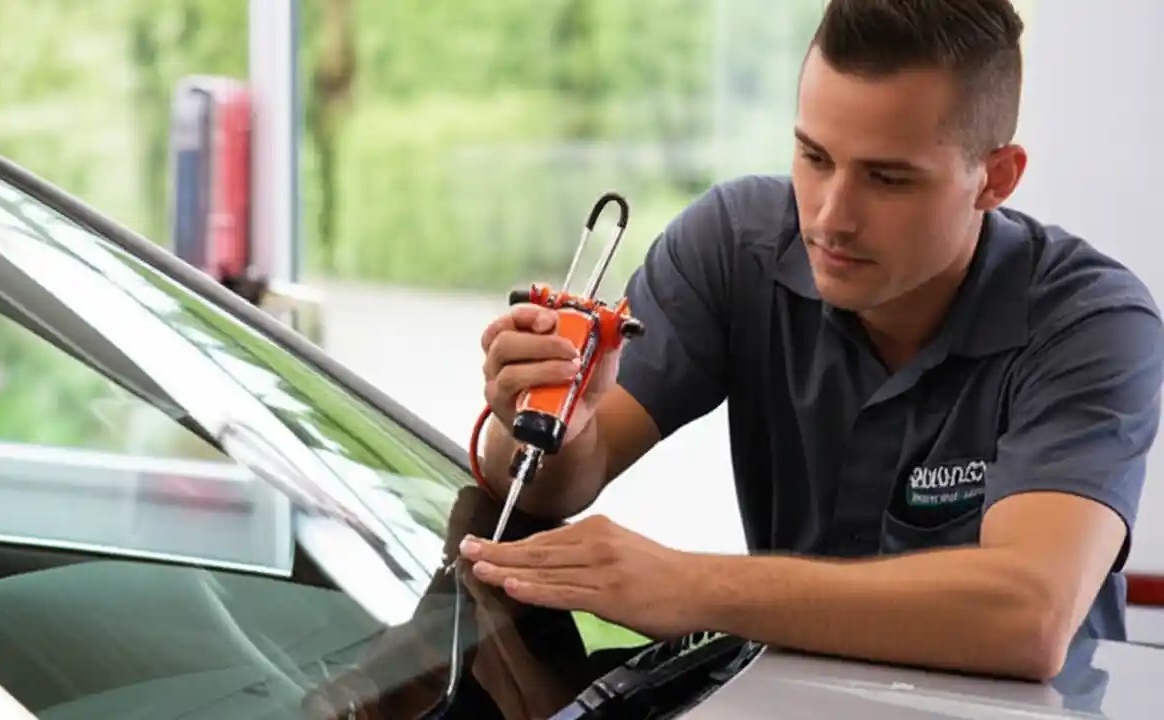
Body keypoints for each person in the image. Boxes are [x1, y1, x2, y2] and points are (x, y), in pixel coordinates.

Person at [459, 0, 1164, 683]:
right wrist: (535, 419)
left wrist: (690, 585)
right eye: (814, 156)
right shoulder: (735, 245)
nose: (830, 217)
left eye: (887, 179)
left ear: (997, 178)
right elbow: (563, 476)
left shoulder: (1093, 323)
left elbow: (1028, 616)